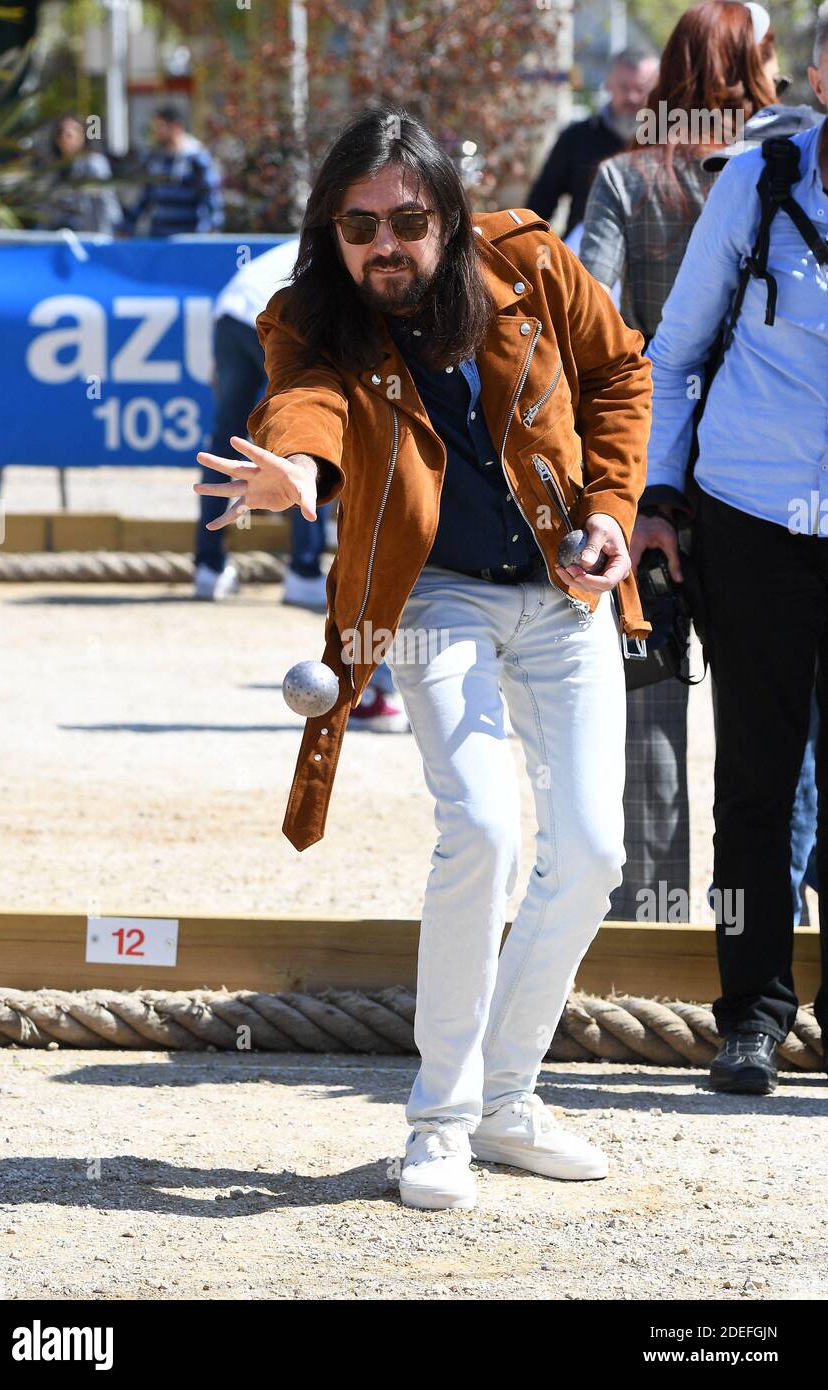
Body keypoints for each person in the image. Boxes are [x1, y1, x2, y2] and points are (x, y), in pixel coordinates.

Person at [193, 107, 653, 1211]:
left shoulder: (533, 263)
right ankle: (440, 1121)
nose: (383, 244)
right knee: (483, 828)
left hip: (563, 587)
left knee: (591, 853)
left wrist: (608, 505)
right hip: (434, 598)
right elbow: (301, 403)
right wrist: (301, 471)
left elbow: (620, 375)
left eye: (406, 219)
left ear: (445, 214)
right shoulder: (307, 315)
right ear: (331, 227)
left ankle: (507, 1100)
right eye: (358, 224)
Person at [633, 1, 828, 1095]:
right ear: (812, 71)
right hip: (750, 520)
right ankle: (747, 1014)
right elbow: (674, 352)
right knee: (754, 778)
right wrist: (657, 500)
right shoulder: (754, 185)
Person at [580, 0, 777, 921]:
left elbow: (591, 320)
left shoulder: (623, 182)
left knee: (646, 706)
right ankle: (774, 931)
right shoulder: (792, 176)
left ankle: (649, 928)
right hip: (763, 479)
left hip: (642, 472)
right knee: (773, 725)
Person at [197, 239, 410, 732]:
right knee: (295, 457)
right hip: (253, 317)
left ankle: (210, 568)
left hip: (230, 312)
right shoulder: (348, 271)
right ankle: (304, 571)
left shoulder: (352, 255)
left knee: (242, 447)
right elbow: (306, 395)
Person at [525, 47, 659, 239]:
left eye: (641, 89)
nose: (632, 98)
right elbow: (539, 207)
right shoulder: (576, 138)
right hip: (584, 259)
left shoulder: (668, 143)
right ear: (609, 84)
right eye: (624, 88)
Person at [123, 104, 224, 238]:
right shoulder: (156, 159)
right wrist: (127, 226)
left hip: (189, 239)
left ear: (176, 126)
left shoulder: (196, 158)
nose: (157, 132)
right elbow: (146, 197)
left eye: (161, 126)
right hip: (161, 238)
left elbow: (211, 195)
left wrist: (213, 228)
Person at [43, 114, 123, 235]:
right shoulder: (52, 169)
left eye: (70, 134)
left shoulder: (94, 164)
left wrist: (112, 233)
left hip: (90, 238)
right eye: (62, 134)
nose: (65, 138)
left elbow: (107, 202)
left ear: (82, 137)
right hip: (59, 238)